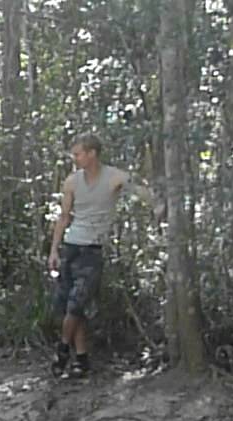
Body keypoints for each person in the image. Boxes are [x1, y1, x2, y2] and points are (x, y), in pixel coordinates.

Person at [48, 133, 162, 378]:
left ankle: (62, 350)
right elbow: (64, 217)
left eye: (78, 153)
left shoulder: (113, 177)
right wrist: (54, 249)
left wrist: (159, 206)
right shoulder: (72, 181)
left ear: (92, 154)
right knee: (69, 306)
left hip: (92, 250)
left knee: (77, 305)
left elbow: (139, 189)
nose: (75, 158)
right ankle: (81, 359)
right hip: (71, 246)